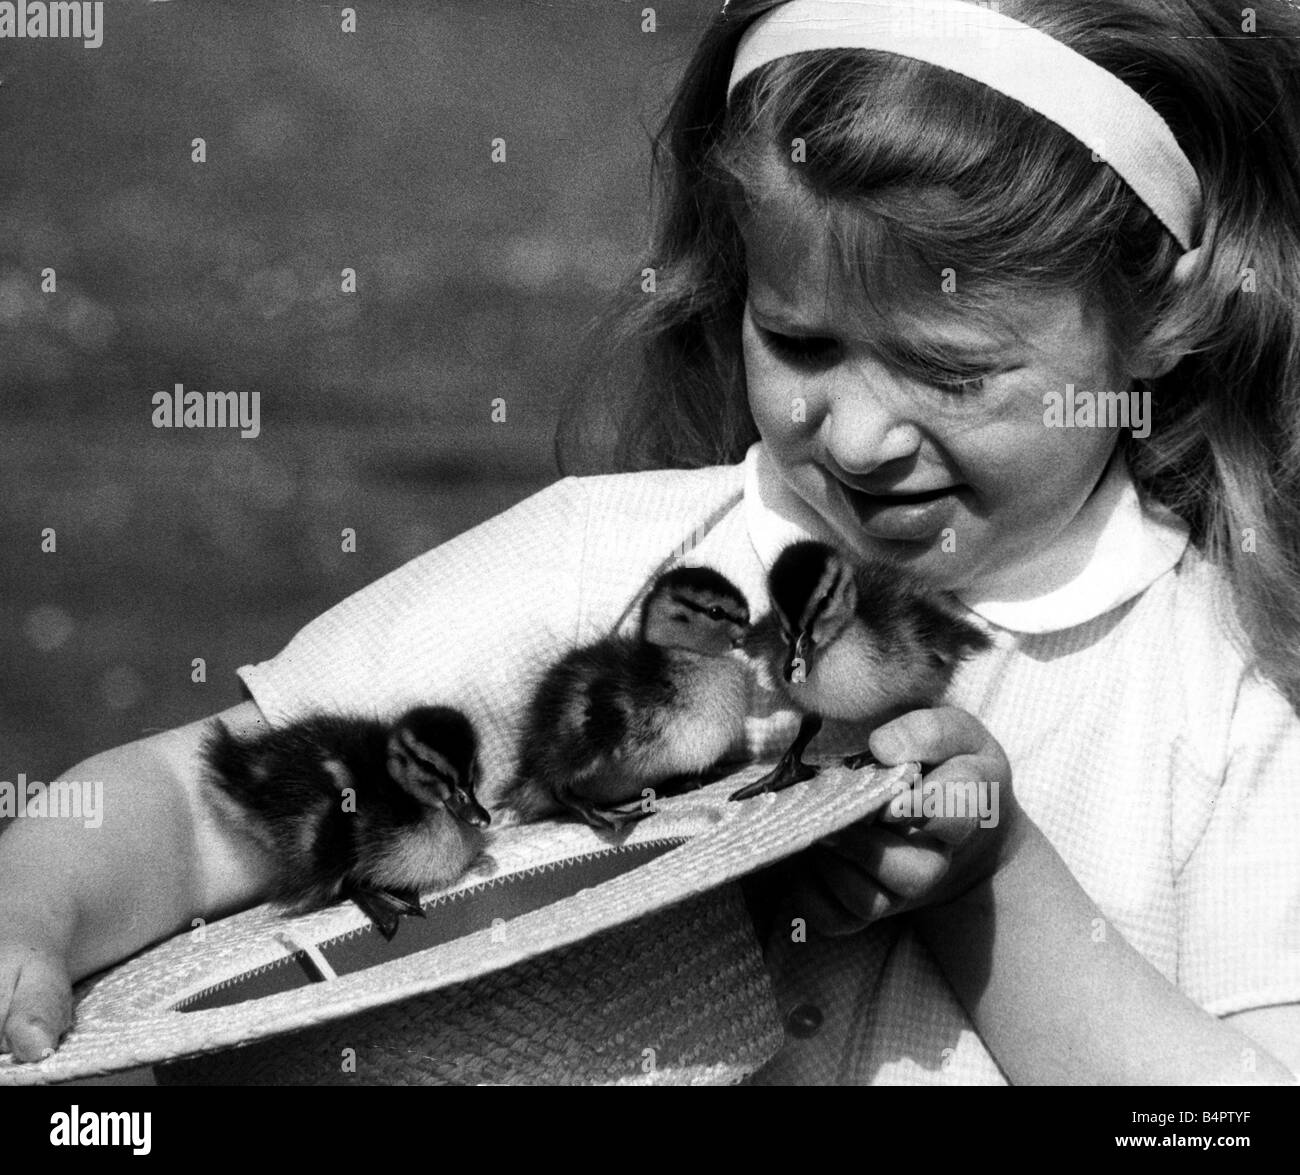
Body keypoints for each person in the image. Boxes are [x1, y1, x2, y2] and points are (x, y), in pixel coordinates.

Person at [3, 0, 1299, 1083]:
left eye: (950, 373)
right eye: (799, 341)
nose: (850, 438)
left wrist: (991, 878)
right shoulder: (611, 574)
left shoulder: (1237, 694)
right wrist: (32, 911)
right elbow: (192, 802)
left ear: (1163, 319)